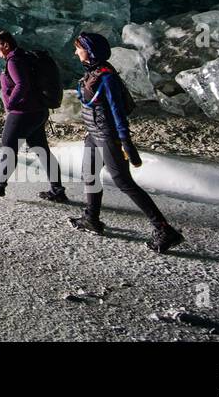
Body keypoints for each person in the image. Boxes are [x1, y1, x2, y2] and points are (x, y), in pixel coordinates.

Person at [71, 31, 184, 253]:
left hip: (107, 135)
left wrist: (125, 142)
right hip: (94, 134)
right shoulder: (95, 72)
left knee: (124, 182)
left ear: (90, 51)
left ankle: (164, 229)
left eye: (79, 47)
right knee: (90, 174)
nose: (76, 52)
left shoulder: (106, 77)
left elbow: (117, 111)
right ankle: (91, 218)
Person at [0, 31, 68, 202]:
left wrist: (11, 105)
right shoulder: (23, 58)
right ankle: (58, 190)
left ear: (6, 45)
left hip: (23, 113)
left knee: (8, 147)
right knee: (42, 151)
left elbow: (22, 84)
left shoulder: (14, 61)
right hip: (37, 112)